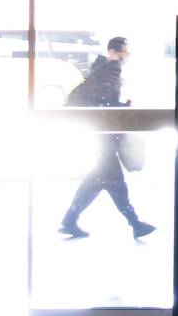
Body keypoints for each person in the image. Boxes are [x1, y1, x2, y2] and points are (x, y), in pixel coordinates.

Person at [59, 37, 156, 239]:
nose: (126, 57)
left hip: (101, 132)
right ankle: (135, 223)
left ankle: (70, 219)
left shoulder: (101, 68)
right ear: (113, 52)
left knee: (98, 180)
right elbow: (105, 102)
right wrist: (124, 107)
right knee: (113, 180)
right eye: (124, 52)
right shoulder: (111, 69)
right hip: (104, 133)